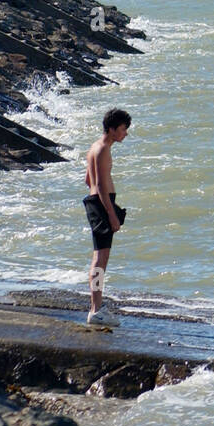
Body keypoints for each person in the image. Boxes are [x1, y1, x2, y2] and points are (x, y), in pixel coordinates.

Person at [83, 108, 131, 327]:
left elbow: (88, 180)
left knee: (99, 257)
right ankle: (96, 309)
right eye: (123, 129)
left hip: (97, 203)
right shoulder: (103, 150)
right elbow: (100, 185)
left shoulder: (95, 147)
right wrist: (111, 215)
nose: (125, 134)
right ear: (112, 129)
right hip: (102, 205)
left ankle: (97, 307)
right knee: (100, 259)